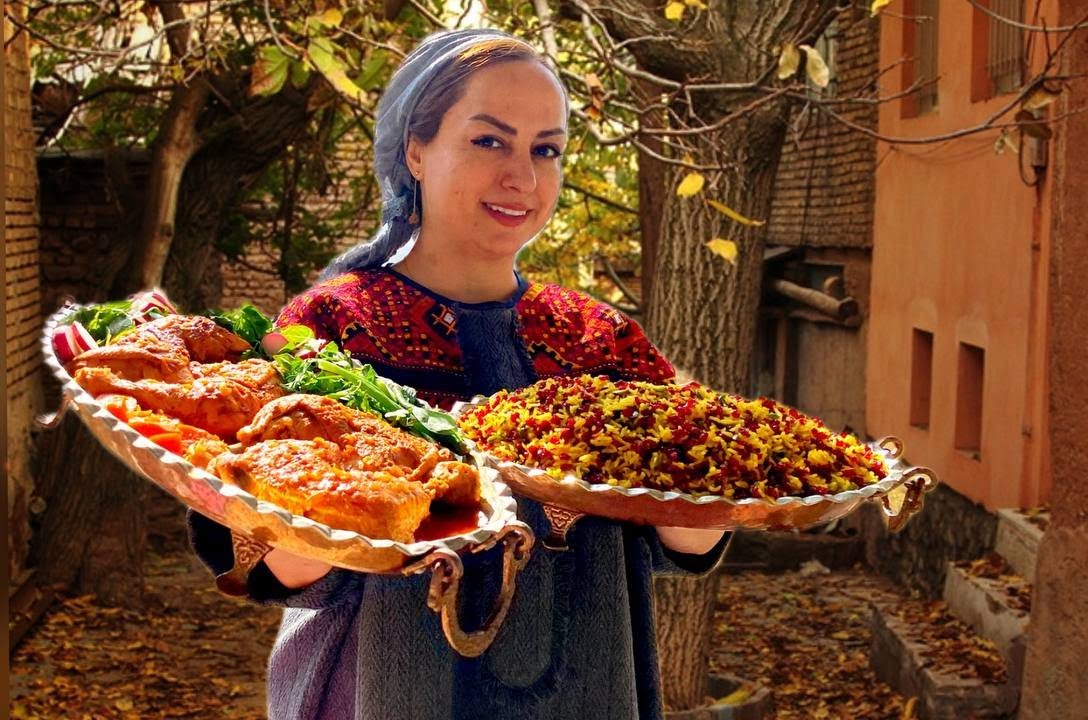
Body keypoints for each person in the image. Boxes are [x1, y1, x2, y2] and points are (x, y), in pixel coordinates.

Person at [189, 28, 728, 720]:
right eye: (489, 141)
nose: (524, 179)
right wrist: (305, 532)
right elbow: (242, 544)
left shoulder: (601, 341)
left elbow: (676, 542)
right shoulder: (330, 328)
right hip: (379, 694)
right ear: (416, 149)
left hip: (581, 694)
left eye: (547, 149)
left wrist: (710, 494)